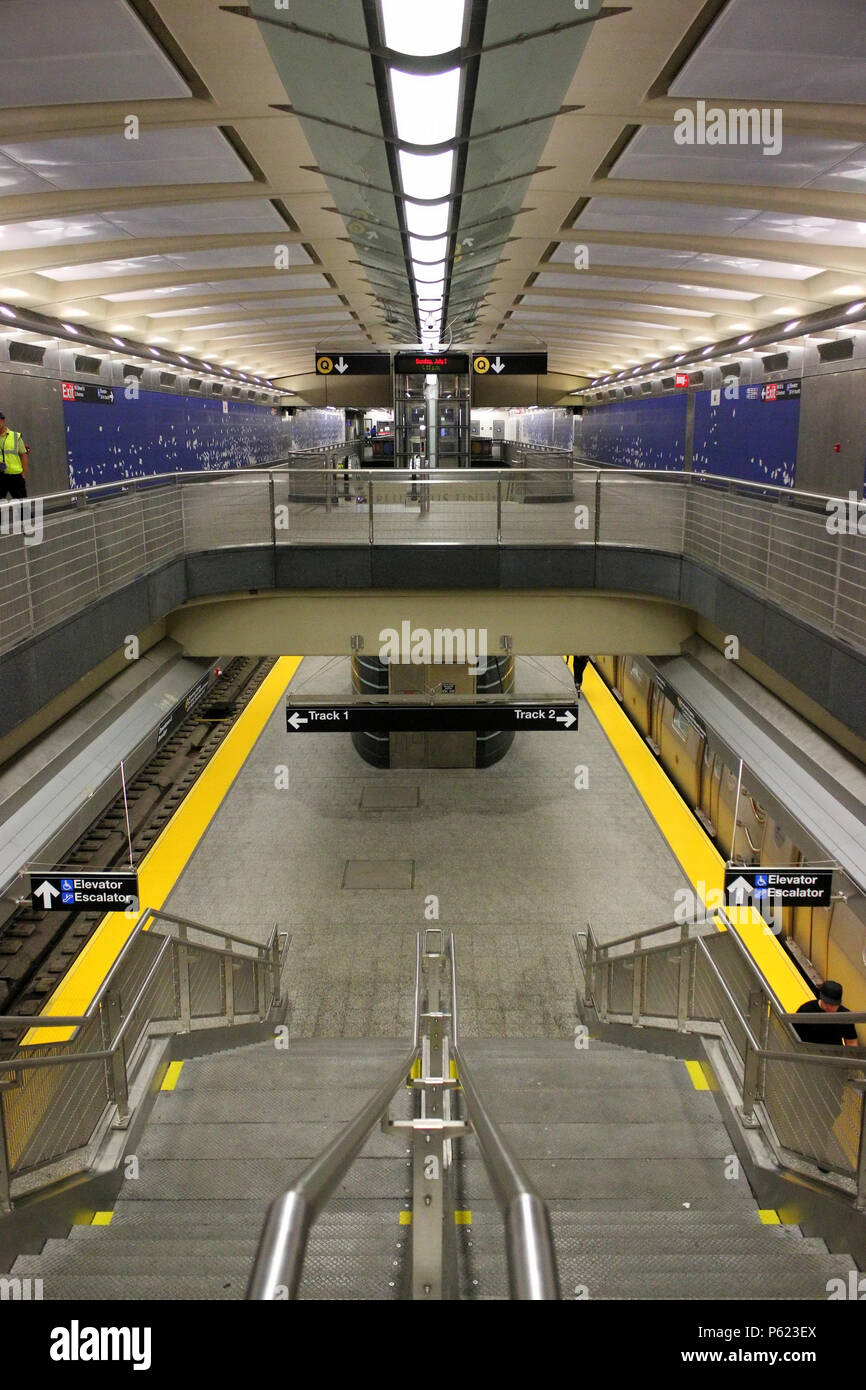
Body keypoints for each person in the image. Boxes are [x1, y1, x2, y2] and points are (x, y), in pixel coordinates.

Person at [794, 980, 859, 1047]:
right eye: (826, 1003)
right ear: (821, 998)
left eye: (833, 1004)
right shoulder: (805, 1011)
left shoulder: (845, 1016)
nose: (829, 1007)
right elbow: (792, 1037)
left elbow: (851, 1042)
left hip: (834, 1054)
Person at [0, 413, 29, 499]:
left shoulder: (15, 436)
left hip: (15, 476)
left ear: (3, 420)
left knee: (23, 508)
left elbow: (23, 455)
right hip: (0, 476)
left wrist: (23, 474)